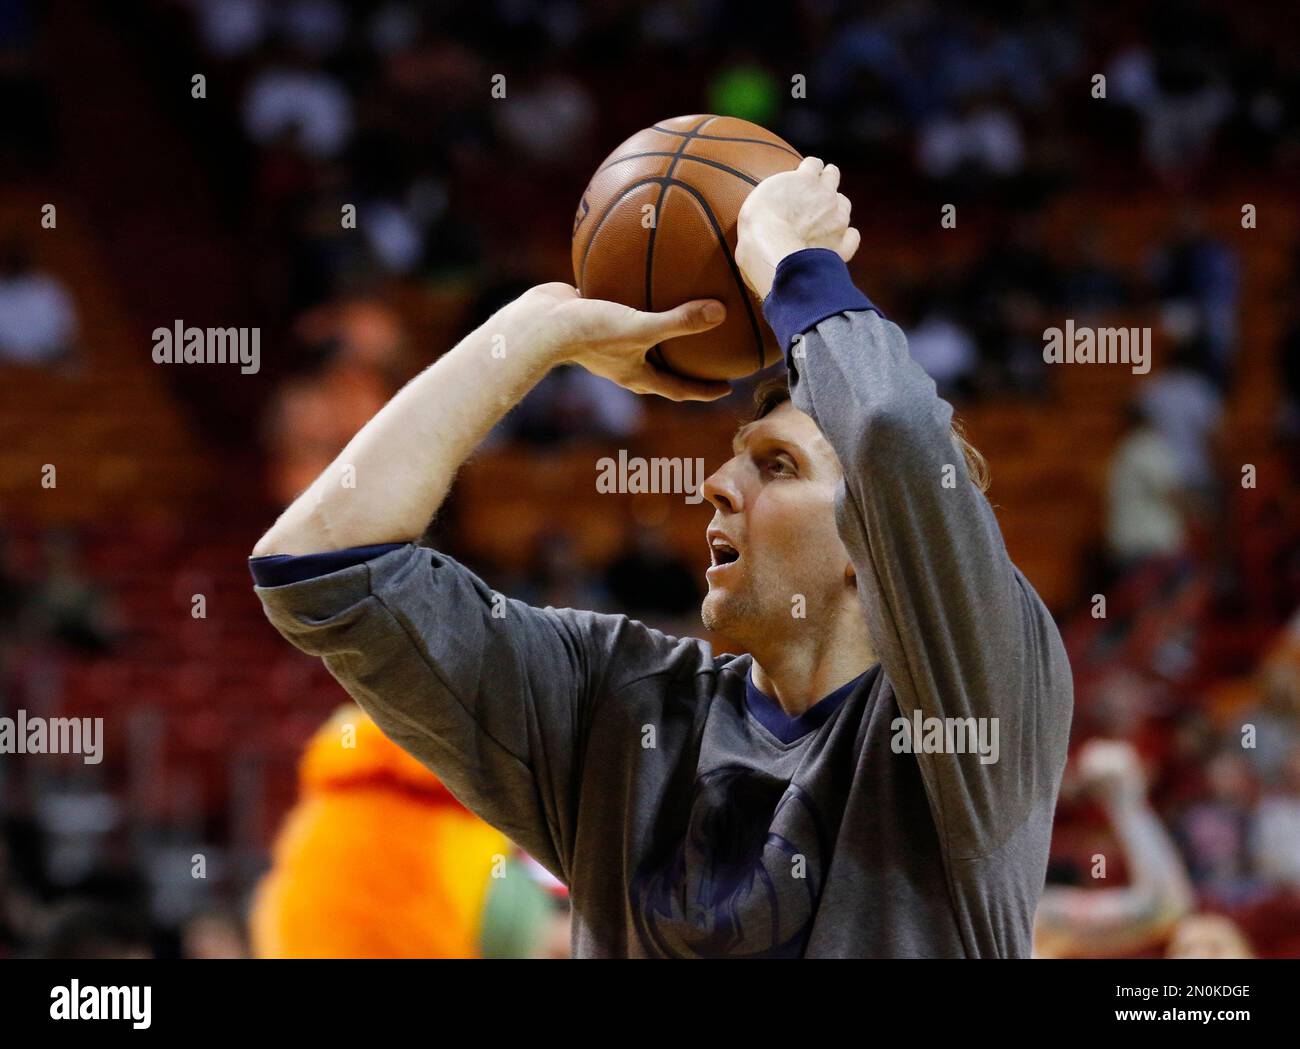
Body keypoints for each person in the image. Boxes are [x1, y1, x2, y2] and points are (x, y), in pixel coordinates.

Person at [250, 157, 1073, 958]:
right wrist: (530, 334)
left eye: (777, 465)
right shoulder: (618, 706)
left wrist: (790, 258)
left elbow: (892, 429)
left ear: (875, 543)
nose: (716, 484)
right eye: (736, 456)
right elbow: (320, 564)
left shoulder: (979, 705)